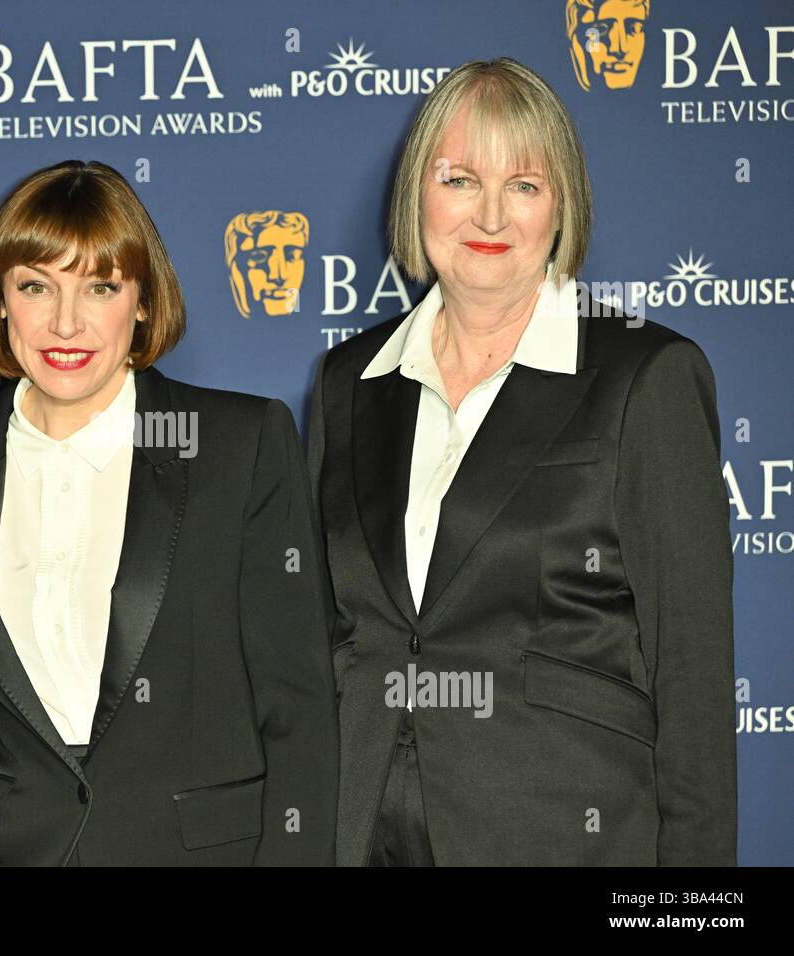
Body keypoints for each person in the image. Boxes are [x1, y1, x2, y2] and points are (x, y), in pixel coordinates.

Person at [309, 58, 735, 865]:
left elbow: (694, 680)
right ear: (418, 197)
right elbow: (327, 635)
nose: (491, 213)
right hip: (359, 830)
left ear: (561, 204)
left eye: (525, 185)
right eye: (461, 178)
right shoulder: (349, 382)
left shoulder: (646, 376)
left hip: (563, 834)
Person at [0, 159, 337, 865]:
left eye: (99, 286)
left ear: (140, 301)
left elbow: (300, 708)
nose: (65, 321)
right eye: (36, 286)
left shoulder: (239, 444)